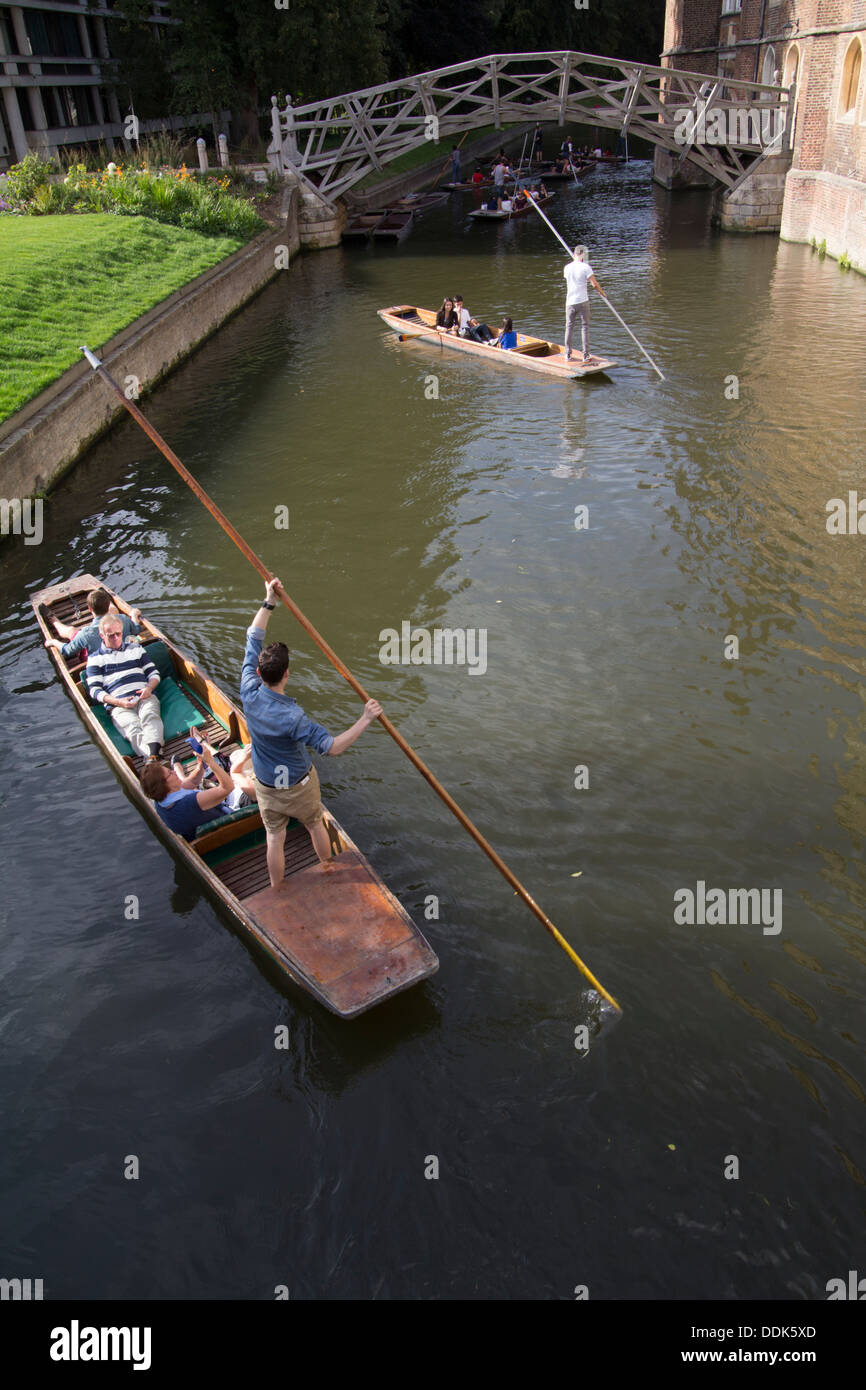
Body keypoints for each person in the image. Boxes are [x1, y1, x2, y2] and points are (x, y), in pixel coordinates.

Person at [241, 578, 383, 888]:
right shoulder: (293, 717)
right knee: (315, 824)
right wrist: (365, 719)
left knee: (274, 838)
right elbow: (331, 747)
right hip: (297, 785)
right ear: (287, 674)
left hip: (266, 783)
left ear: (259, 673)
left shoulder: (248, 689)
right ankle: (328, 869)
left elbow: (253, 635)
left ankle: (277, 888)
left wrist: (268, 602)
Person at [141, 741, 257, 841]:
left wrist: (201, 764)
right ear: (164, 784)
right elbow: (227, 787)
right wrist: (211, 762)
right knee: (253, 786)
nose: (174, 772)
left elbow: (191, 782)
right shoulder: (190, 802)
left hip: (211, 822)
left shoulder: (163, 799)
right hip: (230, 825)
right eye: (170, 773)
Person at [86, 614, 164, 759]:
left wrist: (149, 689)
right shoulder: (94, 659)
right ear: (101, 635)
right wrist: (118, 702)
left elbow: (154, 674)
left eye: (118, 634)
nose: (115, 638)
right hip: (119, 704)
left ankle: (153, 758)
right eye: (111, 635)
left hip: (144, 696)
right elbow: (95, 691)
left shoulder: (136, 649)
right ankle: (154, 757)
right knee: (133, 728)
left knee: (150, 717)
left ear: (122, 632)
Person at [45, 587, 143, 660]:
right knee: (114, 613)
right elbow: (136, 630)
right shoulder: (123, 619)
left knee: (71, 631)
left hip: (101, 662)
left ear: (90, 609)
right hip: (121, 652)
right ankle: (108, 600)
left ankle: (53, 619)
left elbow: (67, 651)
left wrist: (53, 642)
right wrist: (134, 615)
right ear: (107, 605)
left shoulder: (85, 634)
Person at [563, 245, 605, 365]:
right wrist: (603, 293)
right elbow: (594, 284)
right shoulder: (585, 267)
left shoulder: (567, 268)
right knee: (585, 327)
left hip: (570, 302)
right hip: (582, 301)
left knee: (569, 327)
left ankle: (567, 354)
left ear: (574, 254)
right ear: (582, 254)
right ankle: (585, 356)